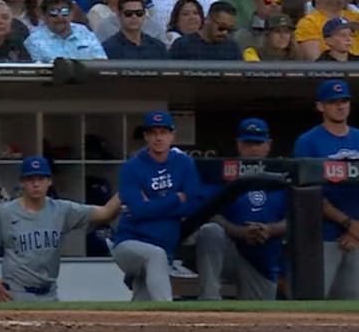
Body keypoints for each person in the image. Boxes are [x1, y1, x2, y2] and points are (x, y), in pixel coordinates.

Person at [0, 157, 119, 302]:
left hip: (50, 293)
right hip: (16, 293)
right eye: (30, 179)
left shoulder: (61, 210)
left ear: (49, 181)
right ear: (22, 182)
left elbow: (106, 213)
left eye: (41, 179)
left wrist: (129, 186)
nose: (36, 184)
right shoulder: (6, 213)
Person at [111, 111, 201, 302]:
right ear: (146, 136)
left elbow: (192, 205)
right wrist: (175, 199)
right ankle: (169, 317)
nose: (158, 137)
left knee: (143, 304)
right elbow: (138, 210)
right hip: (130, 243)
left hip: (164, 245)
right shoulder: (132, 167)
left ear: (172, 135)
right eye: (153, 133)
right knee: (155, 255)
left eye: (163, 132)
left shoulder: (184, 163)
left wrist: (151, 204)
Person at [195, 118, 286, 301]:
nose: (253, 148)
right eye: (248, 143)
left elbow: (297, 219)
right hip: (229, 250)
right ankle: (209, 298)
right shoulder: (224, 173)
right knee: (210, 231)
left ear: (269, 145)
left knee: (259, 320)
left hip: (262, 259)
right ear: (238, 144)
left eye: (258, 143)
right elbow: (208, 213)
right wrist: (238, 231)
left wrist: (269, 229)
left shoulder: (282, 175)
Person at [292, 79, 359, 299]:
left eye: (344, 101)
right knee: (315, 304)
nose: (340, 106)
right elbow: (309, 195)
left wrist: (356, 231)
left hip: (357, 238)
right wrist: (348, 224)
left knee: (351, 312)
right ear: (320, 106)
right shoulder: (308, 141)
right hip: (322, 238)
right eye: (333, 102)